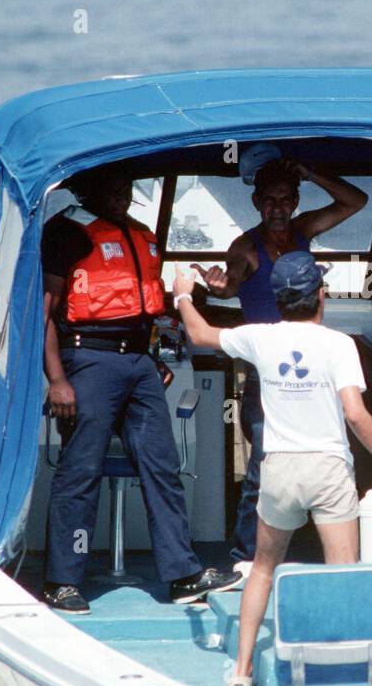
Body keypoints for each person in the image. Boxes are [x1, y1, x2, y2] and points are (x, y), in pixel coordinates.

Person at [170, 253, 372, 686]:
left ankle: (242, 672)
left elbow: (199, 333)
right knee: (346, 573)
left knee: (263, 569)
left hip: (279, 468)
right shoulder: (340, 345)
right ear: (320, 295)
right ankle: (355, 683)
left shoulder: (259, 338)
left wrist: (184, 293)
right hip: (328, 469)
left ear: (277, 299)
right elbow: (356, 416)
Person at [40, 171, 240, 614]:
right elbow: (45, 313)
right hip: (87, 361)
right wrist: (57, 380)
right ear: (87, 189)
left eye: (127, 187)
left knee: (162, 465)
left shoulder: (140, 234)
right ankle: (62, 580)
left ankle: (181, 573)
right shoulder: (66, 232)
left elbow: (144, 307)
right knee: (80, 471)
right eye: (112, 186)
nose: (122, 193)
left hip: (140, 366)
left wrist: (151, 359)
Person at [192, 144, 368, 573]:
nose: (278, 208)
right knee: (264, 463)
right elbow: (231, 286)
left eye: (286, 199)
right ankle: (243, 558)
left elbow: (355, 201)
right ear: (256, 202)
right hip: (268, 374)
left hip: (313, 368)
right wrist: (217, 288)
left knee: (322, 456)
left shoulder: (304, 228)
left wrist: (311, 170)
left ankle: (310, 543)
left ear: (296, 200)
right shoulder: (244, 246)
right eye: (269, 200)